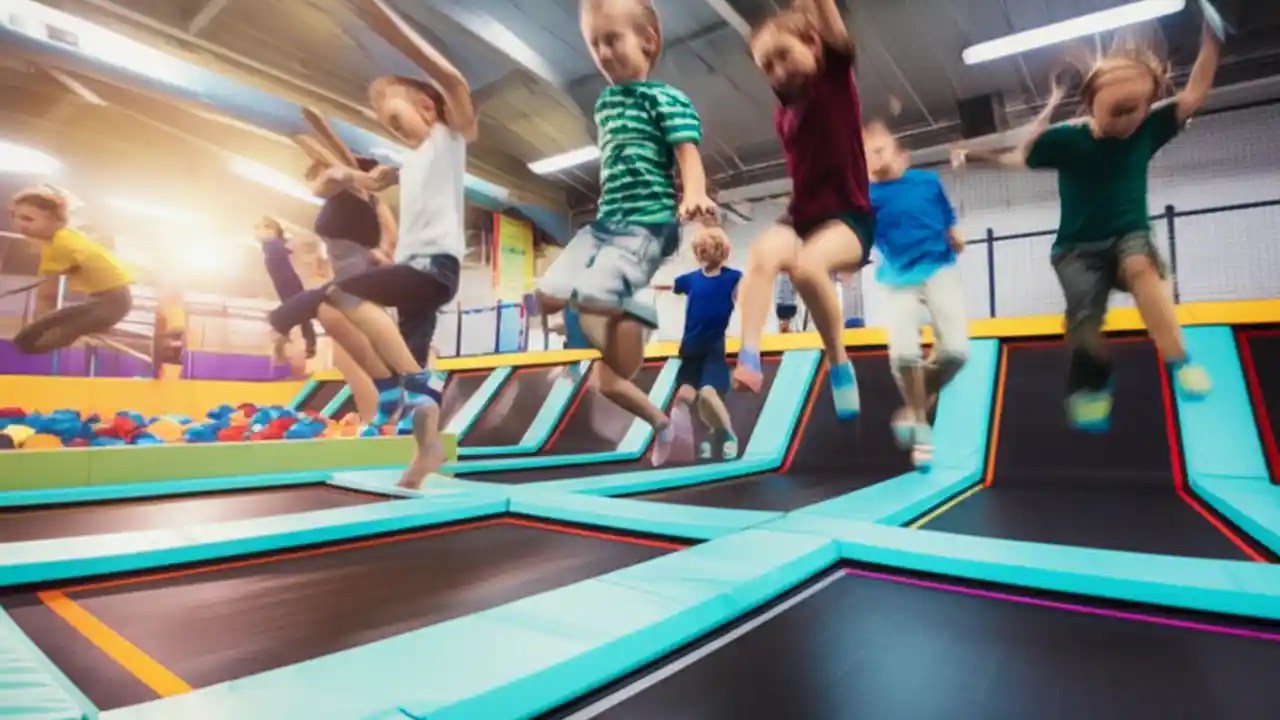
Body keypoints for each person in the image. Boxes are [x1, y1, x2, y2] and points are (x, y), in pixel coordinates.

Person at [953, 22, 1220, 430]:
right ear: (1090, 105)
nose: (1128, 121)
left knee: (1141, 268)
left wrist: (1211, 40)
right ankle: (1091, 381)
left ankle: (1179, 359)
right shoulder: (1069, 141)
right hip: (1075, 250)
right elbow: (1019, 157)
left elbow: (1195, 94)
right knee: (1084, 320)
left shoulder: (1146, 131)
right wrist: (974, 157)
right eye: (1117, 111)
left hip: (1128, 235)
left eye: (1138, 109)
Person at [536, 0, 718, 467]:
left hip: (649, 219)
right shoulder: (605, 103)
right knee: (548, 297)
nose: (602, 52)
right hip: (606, 224)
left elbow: (686, 154)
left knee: (594, 295)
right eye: (594, 44)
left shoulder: (666, 98)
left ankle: (628, 313)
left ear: (649, 41)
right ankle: (661, 423)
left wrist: (694, 193)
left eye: (612, 39)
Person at [347, 0, 472, 488]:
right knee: (415, 369)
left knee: (343, 295)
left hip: (434, 269)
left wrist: (393, 33)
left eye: (391, 111)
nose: (384, 119)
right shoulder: (413, 159)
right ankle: (427, 452)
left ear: (425, 108)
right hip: (415, 270)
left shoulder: (448, 138)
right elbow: (384, 182)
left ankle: (392, 385)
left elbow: (455, 87)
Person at [734, 0, 875, 422]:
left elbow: (832, 27)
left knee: (809, 268)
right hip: (803, 214)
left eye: (783, 56)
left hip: (849, 214)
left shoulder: (833, 78)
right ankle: (749, 356)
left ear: (814, 44)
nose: (777, 71)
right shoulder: (783, 112)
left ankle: (838, 362)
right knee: (761, 255)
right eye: (767, 66)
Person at [266, 144, 399, 433]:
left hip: (356, 275)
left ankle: (382, 417)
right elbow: (388, 232)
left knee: (350, 348)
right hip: (356, 271)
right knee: (348, 354)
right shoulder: (362, 202)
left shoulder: (352, 194)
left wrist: (383, 252)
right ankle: (378, 418)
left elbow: (323, 187)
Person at [864, 121, 969, 467]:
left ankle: (915, 403)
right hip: (897, 277)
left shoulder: (927, 182)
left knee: (955, 351)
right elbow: (855, 235)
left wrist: (952, 230)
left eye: (880, 148)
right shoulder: (865, 197)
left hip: (939, 267)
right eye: (867, 152)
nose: (875, 155)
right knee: (905, 355)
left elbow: (945, 213)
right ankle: (922, 426)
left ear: (902, 156)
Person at [9, 187, 133, 354]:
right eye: (15, 217)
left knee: (32, 343)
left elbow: (47, 295)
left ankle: (91, 328)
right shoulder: (63, 236)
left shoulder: (61, 245)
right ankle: (93, 326)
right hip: (102, 301)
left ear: (56, 221)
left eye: (28, 219)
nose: (19, 224)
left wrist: (48, 324)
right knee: (28, 336)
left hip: (112, 304)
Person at [672, 226, 742, 460]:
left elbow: (748, 297)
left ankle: (728, 433)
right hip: (690, 348)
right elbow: (671, 286)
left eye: (706, 247)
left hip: (713, 347)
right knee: (684, 398)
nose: (701, 252)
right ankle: (711, 432)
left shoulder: (732, 278)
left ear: (720, 250)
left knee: (708, 394)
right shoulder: (690, 279)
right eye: (698, 249)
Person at [255, 217, 318, 359]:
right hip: (284, 284)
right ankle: (304, 342)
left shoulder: (273, 245)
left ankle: (305, 342)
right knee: (300, 314)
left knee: (298, 313)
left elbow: (279, 244)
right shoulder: (270, 246)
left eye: (264, 228)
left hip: (288, 283)